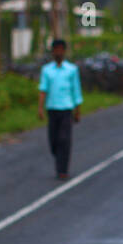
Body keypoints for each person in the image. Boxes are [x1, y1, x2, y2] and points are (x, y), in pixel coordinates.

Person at [37, 39, 82, 179]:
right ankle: (59, 158)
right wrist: (40, 108)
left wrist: (77, 110)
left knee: (64, 139)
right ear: (52, 52)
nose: (58, 52)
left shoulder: (72, 70)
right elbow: (43, 90)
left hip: (66, 109)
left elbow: (76, 90)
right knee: (53, 140)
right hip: (52, 108)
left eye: (61, 49)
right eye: (56, 49)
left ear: (64, 51)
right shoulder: (47, 70)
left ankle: (62, 169)